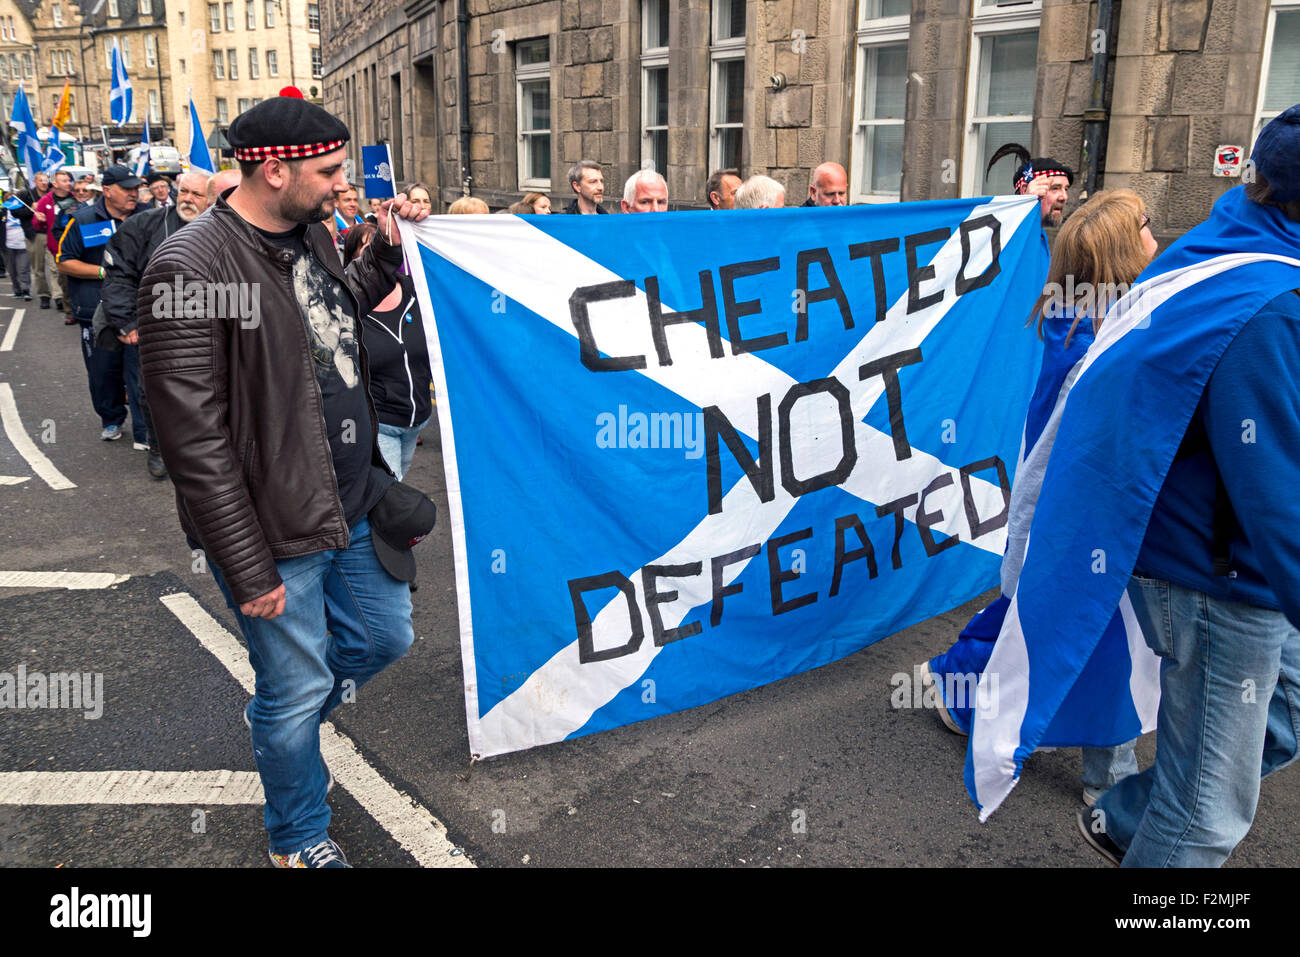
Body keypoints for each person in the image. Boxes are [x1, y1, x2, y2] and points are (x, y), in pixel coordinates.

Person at [138, 94, 431, 868]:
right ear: (273, 170)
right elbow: (191, 439)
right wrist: (245, 565)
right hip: (276, 527)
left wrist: (389, 249)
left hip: (356, 500)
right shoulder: (188, 266)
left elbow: (337, 315)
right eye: (331, 172)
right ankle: (298, 835)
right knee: (296, 691)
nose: (343, 185)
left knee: (384, 637)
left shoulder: (315, 236)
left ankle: (281, 717)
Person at [1071, 106, 1300, 867]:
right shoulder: (1266, 302)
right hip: (1221, 575)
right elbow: (1277, 492)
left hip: (1224, 558)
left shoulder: (1230, 241)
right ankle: (1152, 827)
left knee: (1278, 720)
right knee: (1204, 814)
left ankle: (1130, 816)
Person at [922, 189, 1158, 807]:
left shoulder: (1095, 326)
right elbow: (1054, 458)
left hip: (1091, 523)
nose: (1156, 235)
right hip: (1089, 525)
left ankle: (955, 688)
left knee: (1074, 636)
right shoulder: (1097, 345)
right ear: (1122, 253)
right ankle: (1109, 779)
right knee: (1096, 642)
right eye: (1146, 226)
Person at [98, 170, 211, 480]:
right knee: (156, 392)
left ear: (212, 198)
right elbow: (119, 274)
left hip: (211, 328)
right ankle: (159, 446)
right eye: (183, 191)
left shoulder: (226, 230)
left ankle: (204, 450)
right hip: (158, 328)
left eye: (196, 194)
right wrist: (127, 320)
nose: (187, 199)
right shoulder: (143, 225)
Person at [343, 222, 433, 493]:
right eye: (370, 245)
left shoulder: (416, 292)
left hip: (417, 419)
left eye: (386, 245)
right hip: (380, 423)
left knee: (398, 480)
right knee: (392, 494)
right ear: (356, 256)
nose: (379, 252)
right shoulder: (348, 302)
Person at [55, 165, 142, 443]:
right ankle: (111, 418)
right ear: (106, 191)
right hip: (96, 308)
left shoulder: (148, 216)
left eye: (136, 188)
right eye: (127, 189)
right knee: (103, 370)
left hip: (139, 309)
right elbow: (65, 261)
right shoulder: (82, 219)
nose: (134, 193)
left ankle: (145, 426)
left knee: (140, 371)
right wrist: (105, 272)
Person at [985, 143, 1072, 228]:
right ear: (1024, 190)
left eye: (1066, 189)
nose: (1064, 197)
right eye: (1055, 188)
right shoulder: (1004, 233)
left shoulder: (1041, 236)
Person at [32, 170, 78, 320]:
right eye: (64, 181)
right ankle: (69, 312)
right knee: (64, 279)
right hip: (58, 247)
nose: (68, 183)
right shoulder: (46, 201)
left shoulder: (75, 199)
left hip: (77, 244)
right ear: (55, 184)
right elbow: (36, 226)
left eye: (69, 180)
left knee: (78, 278)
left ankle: (80, 308)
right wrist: (39, 219)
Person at [15, 171, 51, 308]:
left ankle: (59, 297)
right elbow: (15, 212)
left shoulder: (52, 194)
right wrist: (31, 210)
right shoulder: (25, 195)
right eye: (40, 180)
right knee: (38, 268)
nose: (44, 183)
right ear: (35, 182)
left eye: (45, 180)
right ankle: (44, 295)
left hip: (51, 233)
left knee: (55, 268)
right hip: (34, 235)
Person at [3, 192, 33, 299]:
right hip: (8, 245)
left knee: (23, 268)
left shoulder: (24, 211)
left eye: (14, 199)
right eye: (9, 199)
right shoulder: (3, 212)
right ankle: (17, 291)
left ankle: (26, 290)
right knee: (12, 270)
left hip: (23, 243)